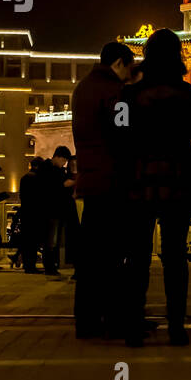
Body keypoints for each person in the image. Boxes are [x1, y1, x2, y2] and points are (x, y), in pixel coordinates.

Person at [121, 29, 191, 347]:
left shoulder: (130, 96)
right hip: (178, 179)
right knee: (175, 256)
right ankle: (176, 326)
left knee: (138, 255)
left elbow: (118, 137)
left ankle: (133, 325)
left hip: (138, 179)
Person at [71, 40, 135, 337]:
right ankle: (112, 319)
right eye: (129, 69)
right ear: (120, 63)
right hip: (112, 180)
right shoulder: (114, 92)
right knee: (112, 255)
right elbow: (123, 132)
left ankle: (86, 321)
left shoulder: (82, 87)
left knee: (90, 257)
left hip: (90, 179)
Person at [41, 146, 75, 277]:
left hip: (57, 210)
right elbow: (59, 185)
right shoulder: (48, 168)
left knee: (53, 240)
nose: (64, 164)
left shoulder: (55, 169)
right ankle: (49, 267)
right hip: (51, 210)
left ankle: (51, 266)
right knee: (51, 240)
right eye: (63, 161)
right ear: (58, 157)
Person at [17, 157, 46, 272]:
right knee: (33, 241)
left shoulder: (24, 177)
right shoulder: (38, 178)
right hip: (35, 213)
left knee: (27, 240)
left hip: (25, 212)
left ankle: (27, 264)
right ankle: (30, 266)